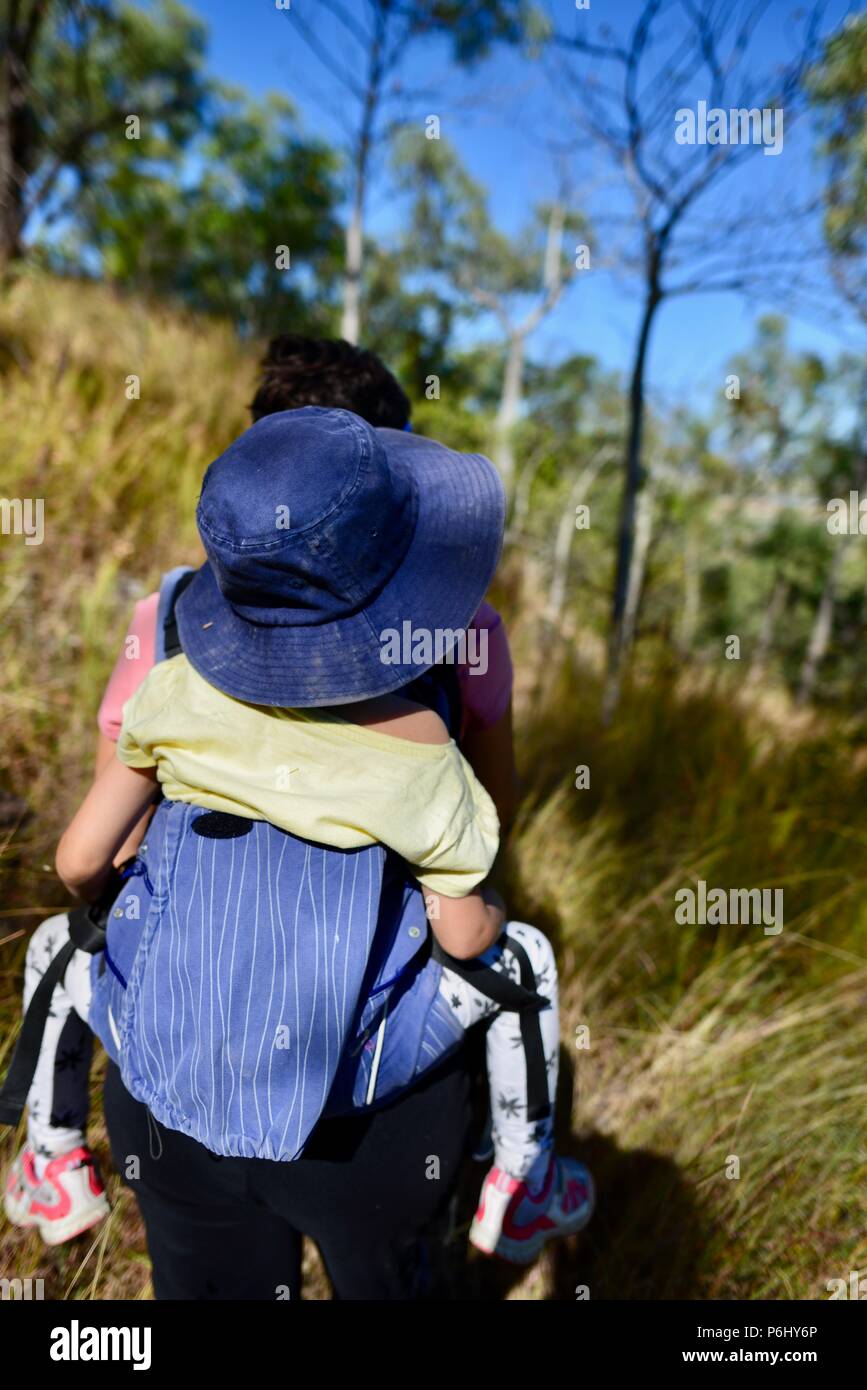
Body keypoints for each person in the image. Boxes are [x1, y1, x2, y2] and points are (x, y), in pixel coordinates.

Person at [3, 406, 593, 1275]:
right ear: (394, 584)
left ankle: (50, 1157)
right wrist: (494, 907)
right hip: (358, 1083)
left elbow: (79, 862)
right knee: (524, 959)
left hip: (164, 1064)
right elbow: (463, 935)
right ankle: (521, 1179)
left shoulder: (171, 694)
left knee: (62, 944)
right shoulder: (425, 754)